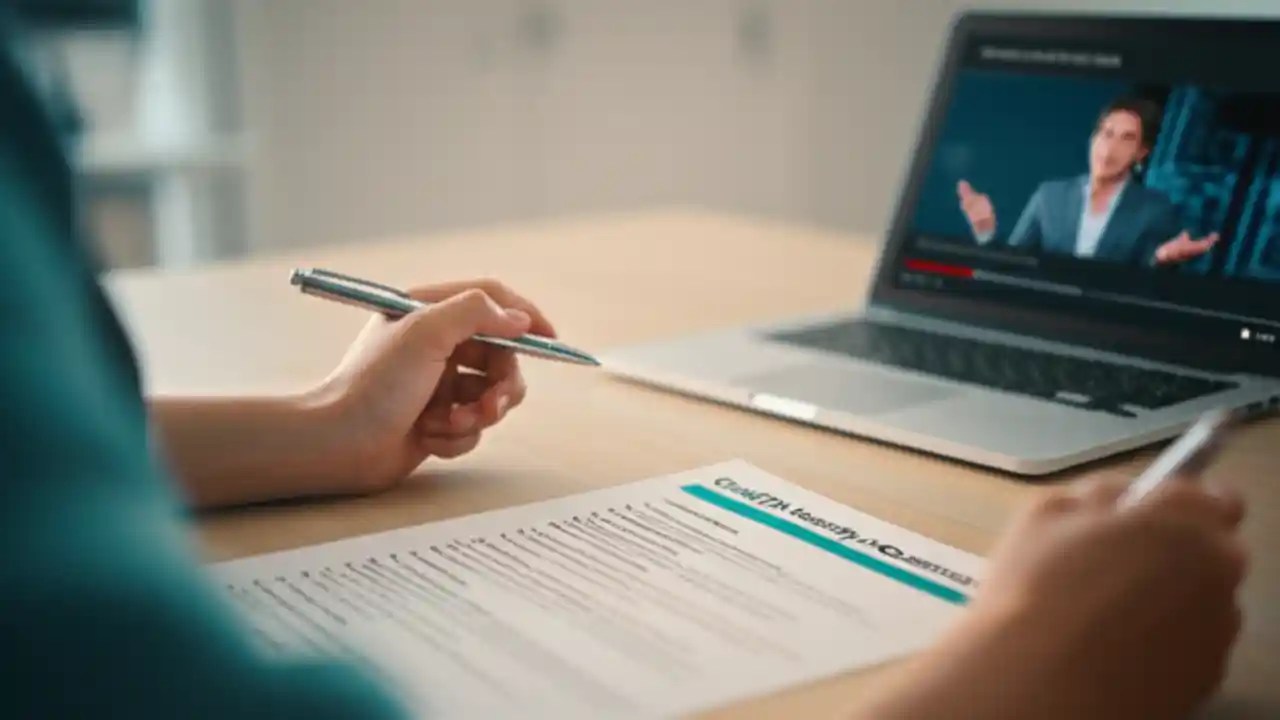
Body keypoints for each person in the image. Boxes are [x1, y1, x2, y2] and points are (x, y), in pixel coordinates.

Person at [1, 12, 1247, 719]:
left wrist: (317, 426)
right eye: (1107, 127)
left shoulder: (1144, 224)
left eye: (1130, 135)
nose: (1111, 145)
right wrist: (1020, 682)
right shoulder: (1036, 199)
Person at [957, 97, 1220, 266]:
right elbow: (1010, 267)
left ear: (1141, 152)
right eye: (1107, 134)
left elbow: (1145, 285)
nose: (1111, 147)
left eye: (1126, 139)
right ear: (1093, 138)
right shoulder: (1050, 195)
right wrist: (985, 231)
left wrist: (1162, 259)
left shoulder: (1155, 209)